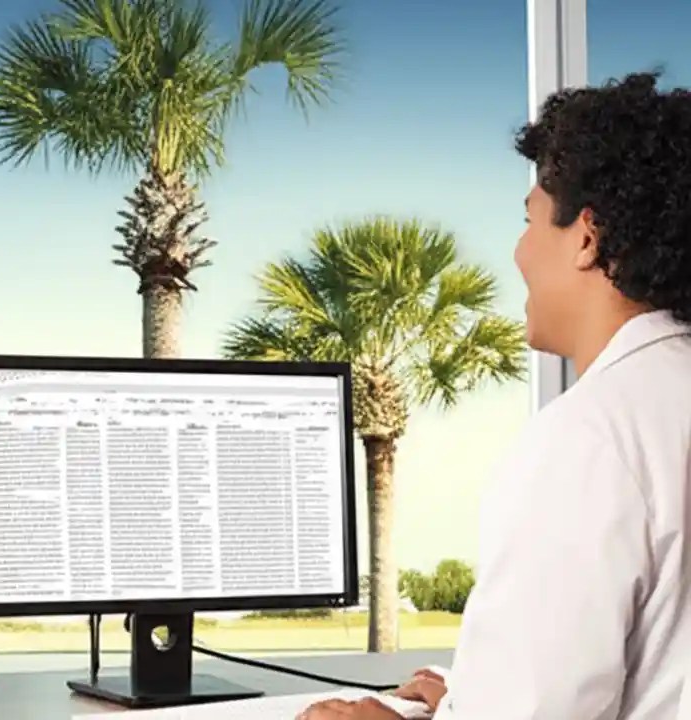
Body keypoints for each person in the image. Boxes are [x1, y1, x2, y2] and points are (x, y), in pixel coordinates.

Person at [299, 70, 691, 719]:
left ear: (587, 237)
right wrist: (474, 700)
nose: (518, 252)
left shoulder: (590, 437)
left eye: (529, 220)